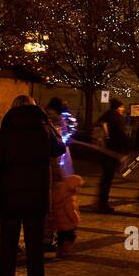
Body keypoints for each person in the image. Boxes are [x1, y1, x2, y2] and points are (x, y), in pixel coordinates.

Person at [0, 95, 65, 276]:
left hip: (10, 196)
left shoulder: (6, 130)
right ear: (34, 107)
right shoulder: (43, 127)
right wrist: (49, 125)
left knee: (7, 249)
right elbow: (60, 148)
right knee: (35, 250)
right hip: (37, 196)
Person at [44, 97, 84, 254]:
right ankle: (59, 239)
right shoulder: (56, 125)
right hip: (60, 170)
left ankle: (50, 239)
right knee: (60, 207)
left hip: (54, 171)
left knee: (52, 209)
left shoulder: (50, 123)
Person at [93, 99, 131, 213]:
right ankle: (103, 204)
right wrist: (128, 147)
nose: (123, 109)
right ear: (117, 107)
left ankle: (101, 202)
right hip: (112, 152)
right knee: (107, 178)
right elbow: (121, 135)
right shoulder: (117, 118)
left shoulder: (104, 116)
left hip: (103, 150)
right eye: (122, 107)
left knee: (105, 177)